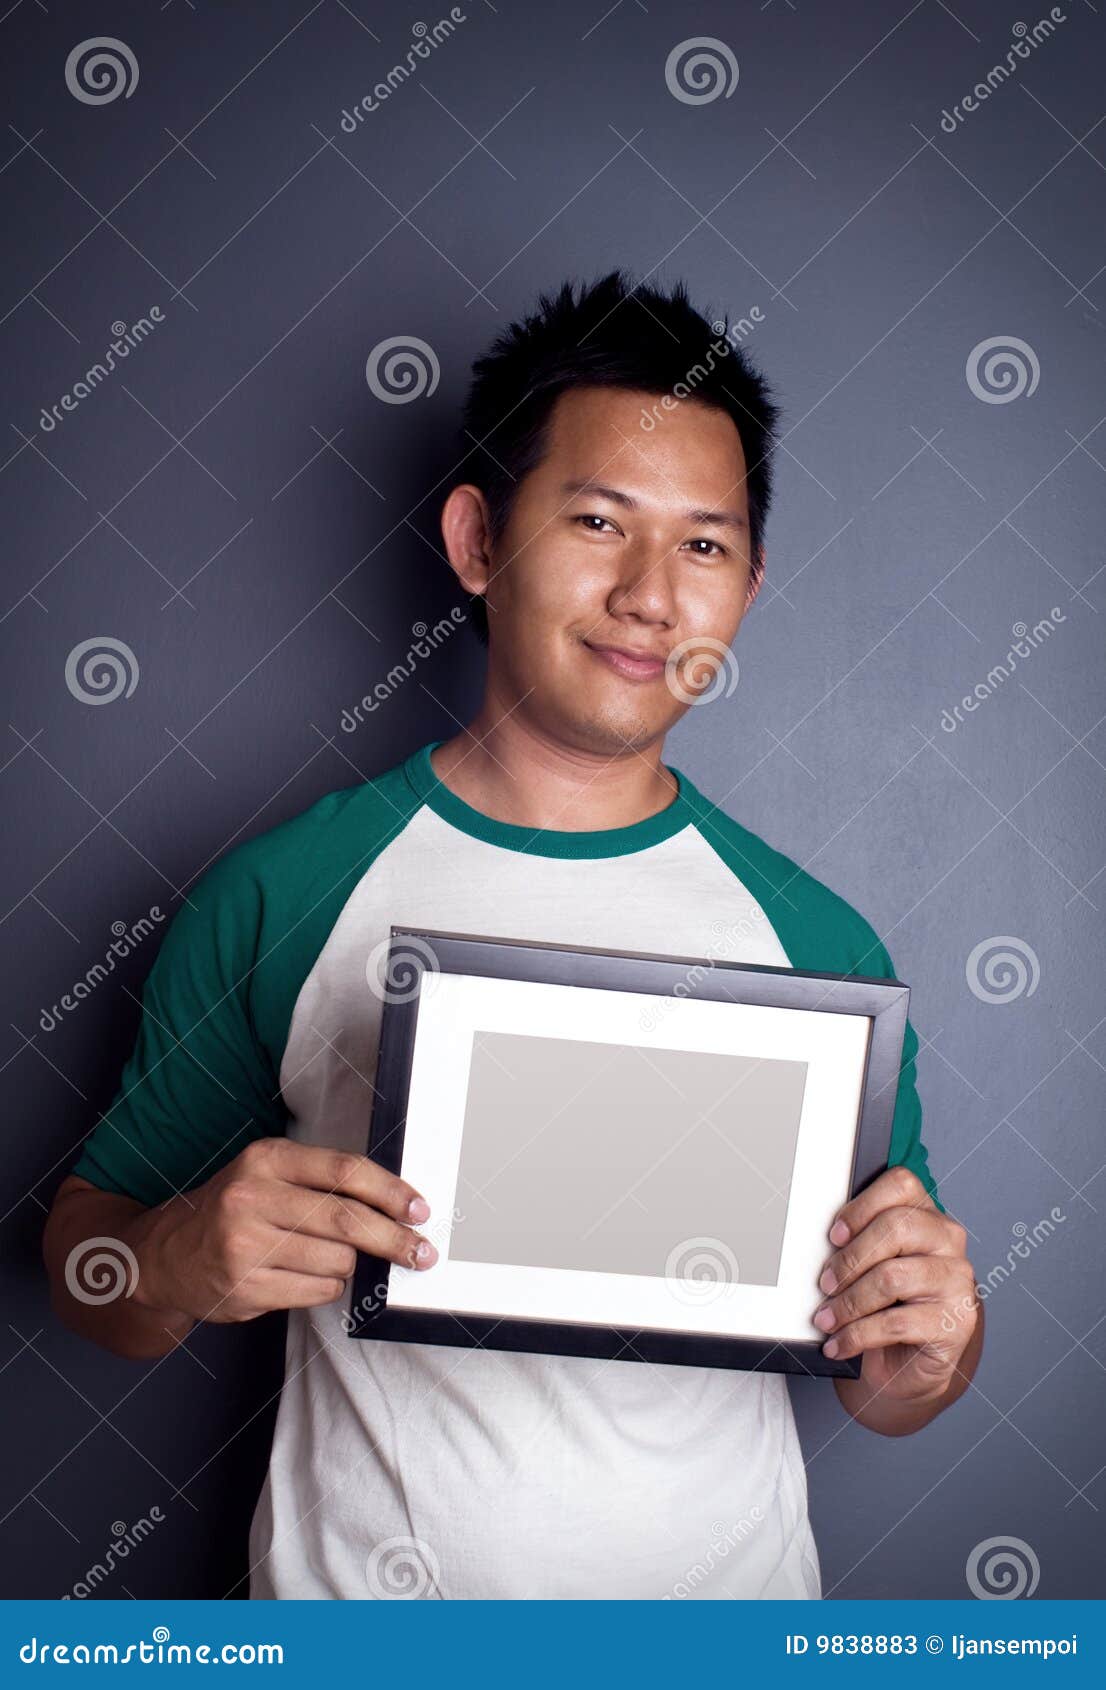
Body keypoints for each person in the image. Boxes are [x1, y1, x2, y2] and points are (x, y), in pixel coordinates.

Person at [43, 271, 982, 1600]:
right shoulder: (288, 889)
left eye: (703, 545)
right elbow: (92, 1274)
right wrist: (185, 1250)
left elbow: (890, 1381)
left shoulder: (814, 938)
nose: (651, 595)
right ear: (480, 539)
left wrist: (935, 1344)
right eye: (598, 520)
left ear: (750, 585)